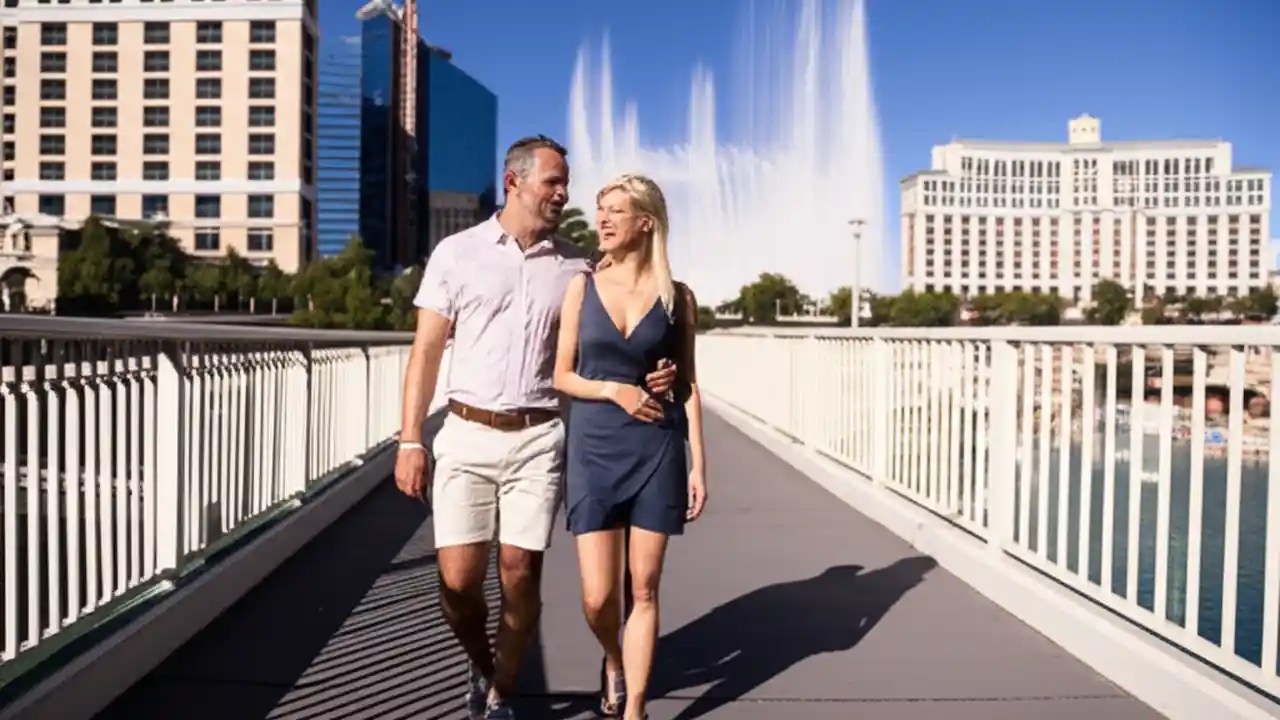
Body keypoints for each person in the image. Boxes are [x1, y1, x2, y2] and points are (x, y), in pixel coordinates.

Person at [393, 137, 677, 720]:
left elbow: (621, 330)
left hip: (540, 436)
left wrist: (662, 370)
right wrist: (410, 438)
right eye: (553, 182)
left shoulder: (578, 266)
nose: (563, 193)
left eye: (565, 182)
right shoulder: (456, 252)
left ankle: (500, 693)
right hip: (466, 432)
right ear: (514, 182)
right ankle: (483, 662)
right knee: (457, 583)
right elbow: (425, 352)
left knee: (521, 574)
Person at [553, 173, 708, 720]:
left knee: (643, 590)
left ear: (647, 222)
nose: (603, 219)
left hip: (658, 448)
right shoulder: (581, 286)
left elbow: (687, 383)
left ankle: (635, 708)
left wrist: (698, 466)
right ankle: (614, 660)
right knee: (599, 598)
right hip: (595, 449)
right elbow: (562, 376)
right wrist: (613, 390)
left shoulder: (678, 297)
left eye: (616, 210)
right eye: (600, 209)